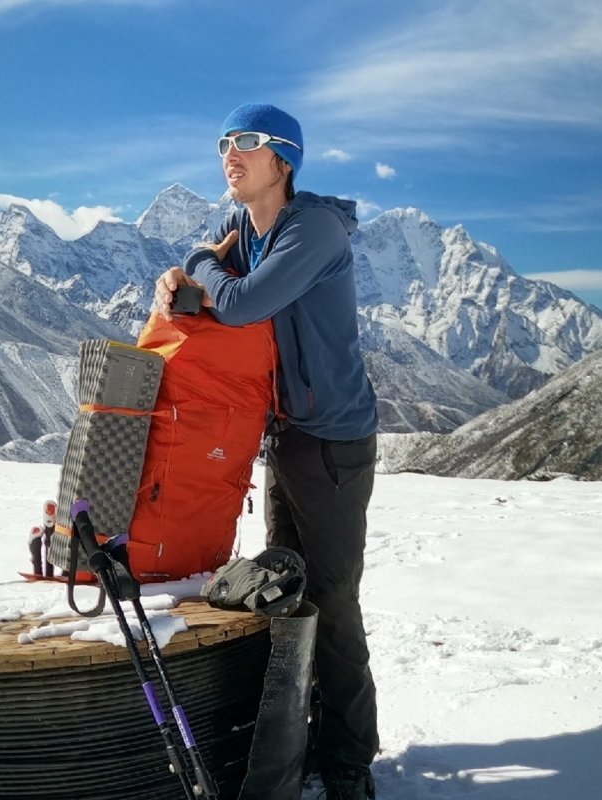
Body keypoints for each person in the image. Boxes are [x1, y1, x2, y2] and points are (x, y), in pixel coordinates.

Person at [154, 103, 380, 800]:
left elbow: (245, 302)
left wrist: (195, 269)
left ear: (284, 160)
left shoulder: (310, 226)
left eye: (247, 142)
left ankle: (349, 762)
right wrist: (181, 283)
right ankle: (302, 737)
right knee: (288, 592)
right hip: (284, 435)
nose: (230, 152)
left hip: (336, 439)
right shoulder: (239, 228)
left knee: (334, 599)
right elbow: (203, 289)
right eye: (223, 141)